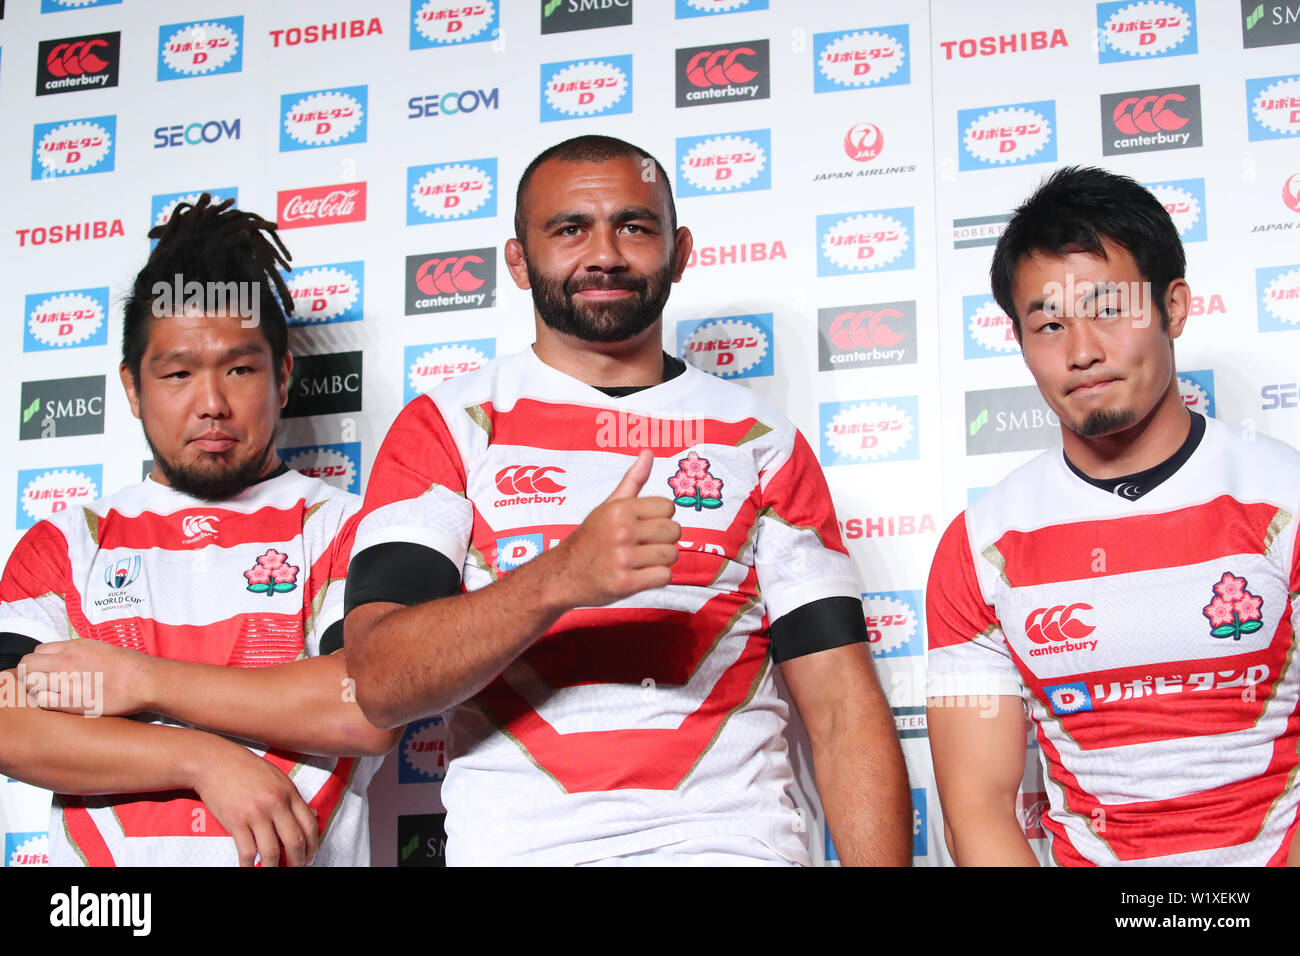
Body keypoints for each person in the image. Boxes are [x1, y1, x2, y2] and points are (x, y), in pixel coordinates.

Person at [343, 135, 909, 865]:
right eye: (570, 228)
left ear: (679, 250)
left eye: (634, 227)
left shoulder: (762, 439)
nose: (604, 253)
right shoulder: (447, 426)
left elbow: (840, 709)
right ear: (518, 260)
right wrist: (561, 579)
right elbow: (380, 682)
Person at [0, 194, 398, 866]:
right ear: (132, 387)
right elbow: (9, 726)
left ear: (283, 376)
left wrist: (145, 682)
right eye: (178, 373)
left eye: (239, 369)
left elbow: (363, 707)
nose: (211, 404)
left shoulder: (352, 527)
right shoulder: (67, 543)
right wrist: (203, 760)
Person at [926, 166, 1300, 866]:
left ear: (1174, 308)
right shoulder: (980, 548)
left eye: (1107, 309)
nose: (1082, 351)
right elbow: (978, 809)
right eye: (1049, 323)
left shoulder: (1287, 499)